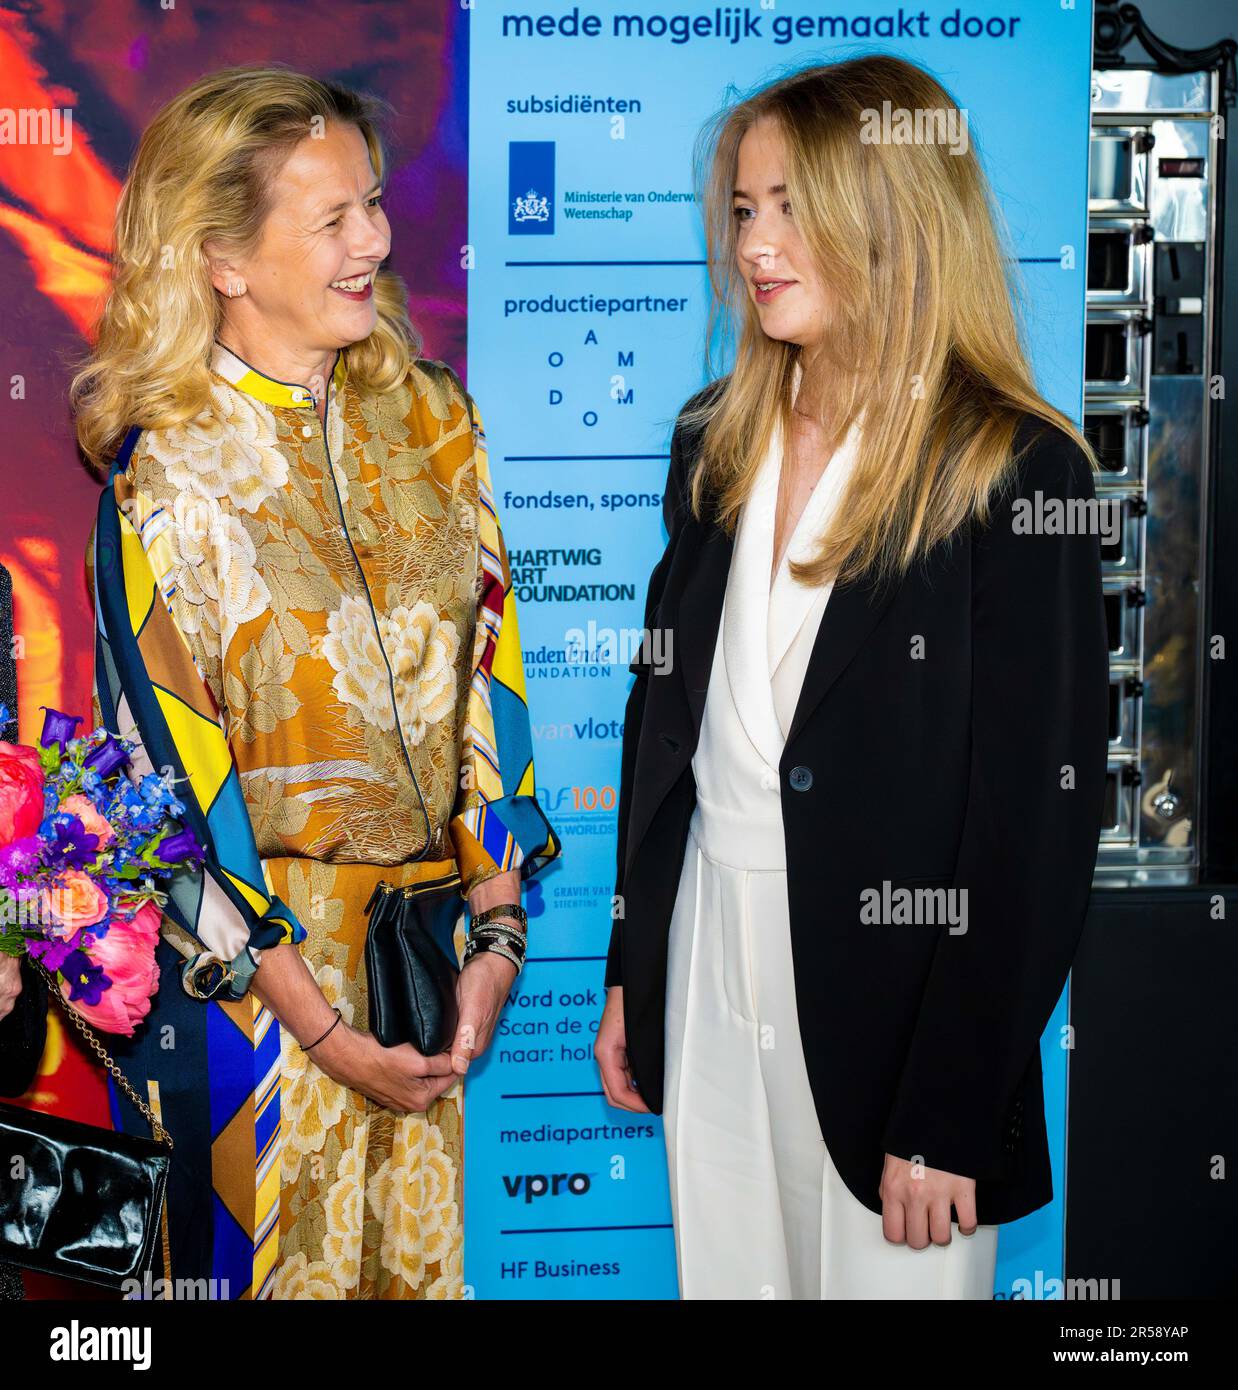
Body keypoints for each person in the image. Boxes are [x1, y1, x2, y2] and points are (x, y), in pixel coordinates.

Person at [594, 54, 1109, 1300]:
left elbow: (1034, 822)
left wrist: (949, 1099)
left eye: (791, 208)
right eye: (744, 210)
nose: (758, 245)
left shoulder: (1012, 470)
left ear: (888, 219)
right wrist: (634, 962)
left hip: (904, 1004)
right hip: (710, 955)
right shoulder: (712, 436)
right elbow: (663, 721)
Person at [69, 65, 558, 1299]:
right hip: (255, 1022)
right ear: (222, 259)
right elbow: (167, 796)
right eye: (330, 218)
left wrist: (492, 933)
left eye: (375, 205)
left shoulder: (439, 424)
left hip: (423, 979)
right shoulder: (161, 480)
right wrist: (321, 1026)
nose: (374, 241)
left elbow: (485, 686)